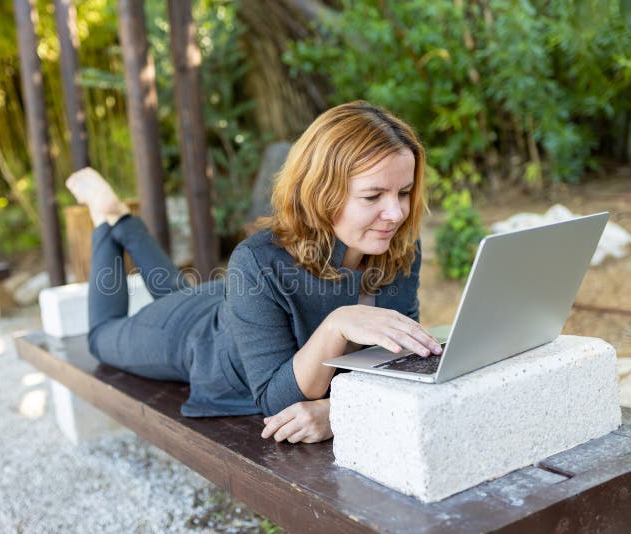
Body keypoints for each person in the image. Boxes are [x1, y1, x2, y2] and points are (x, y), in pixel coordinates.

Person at [66, 100, 442, 444]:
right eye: (373, 196)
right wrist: (336, 324)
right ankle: (108, 217)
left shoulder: (397, 245)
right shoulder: (257, 260)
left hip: (241, 300)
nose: (395, 213)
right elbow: (274, 400)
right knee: (100, 339)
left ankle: (124, 223)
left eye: (404, 193)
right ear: (322, 193)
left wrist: (341, 412)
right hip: (199, 338)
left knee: (175, 289)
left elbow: (400, 364)